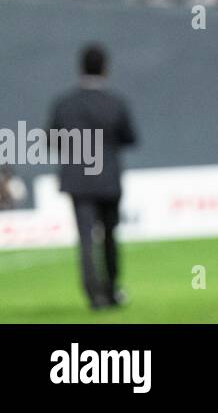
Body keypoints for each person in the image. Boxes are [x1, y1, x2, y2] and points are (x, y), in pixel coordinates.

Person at [48, 44, 137, 310]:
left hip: (78, 179)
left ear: (80, 68)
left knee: (86, 239)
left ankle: (93, 296)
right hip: (108, 178)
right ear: (105, 68)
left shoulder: (64, 104)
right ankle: (112, 291)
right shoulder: (115, 102)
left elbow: (52, 139)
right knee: (109, 236)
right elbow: (130, 138)